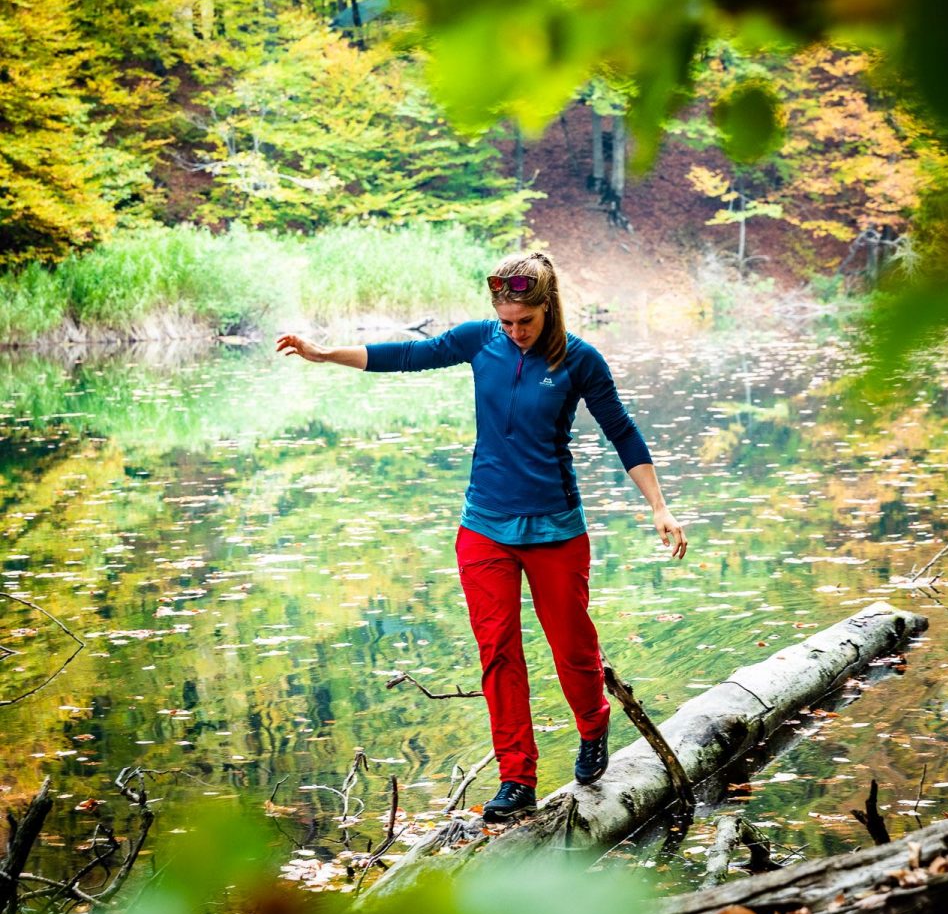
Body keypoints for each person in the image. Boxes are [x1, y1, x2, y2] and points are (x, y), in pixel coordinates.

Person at [276, 251, 686, 822]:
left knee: (572, 646)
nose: (515, 332)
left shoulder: (580, 360)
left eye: (526, 321)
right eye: (507, 321)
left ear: (549, 309)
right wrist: (325, 354)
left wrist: (659, 507)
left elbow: (622, 430)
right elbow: (407, 356)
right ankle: (517, 777)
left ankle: (594, 725)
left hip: (555, 529)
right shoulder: (480, 340)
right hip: (484, 529)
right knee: (497, 651)